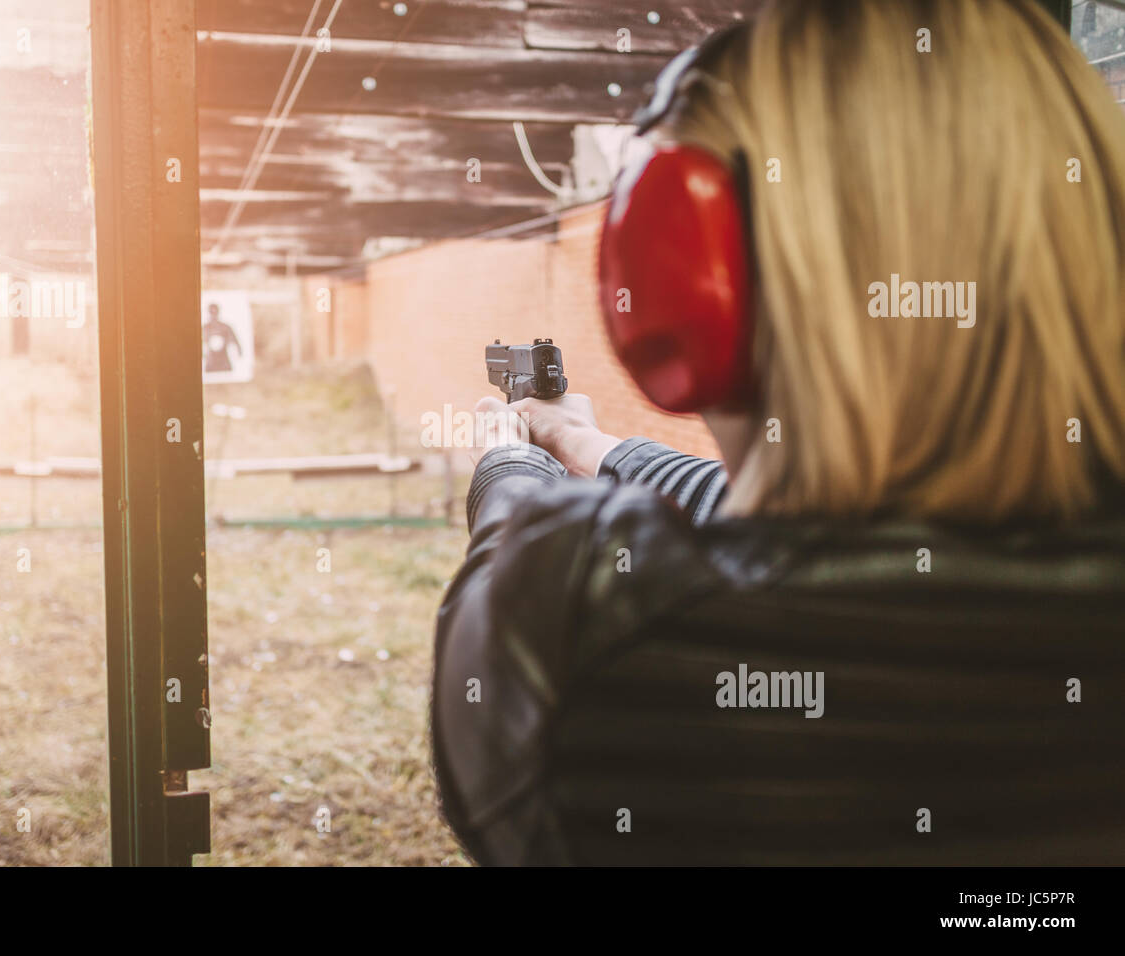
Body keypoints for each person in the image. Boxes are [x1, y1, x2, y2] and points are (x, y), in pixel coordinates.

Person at [432, 0, 1125, 866]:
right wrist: (588, 446)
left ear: (681, 281)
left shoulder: (577, 624)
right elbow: (806, 524)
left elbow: (520, 566)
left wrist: (505, 456)